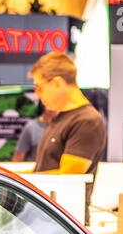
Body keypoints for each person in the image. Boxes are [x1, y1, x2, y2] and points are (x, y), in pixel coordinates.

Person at [28, 51, 107, 182]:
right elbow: (41, 171)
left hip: (62, 203)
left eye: (39, 88)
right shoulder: (63, 118)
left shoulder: (87, 121)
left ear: (57, 83)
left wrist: (17, 180)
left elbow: (68, 179)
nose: (37, 95)